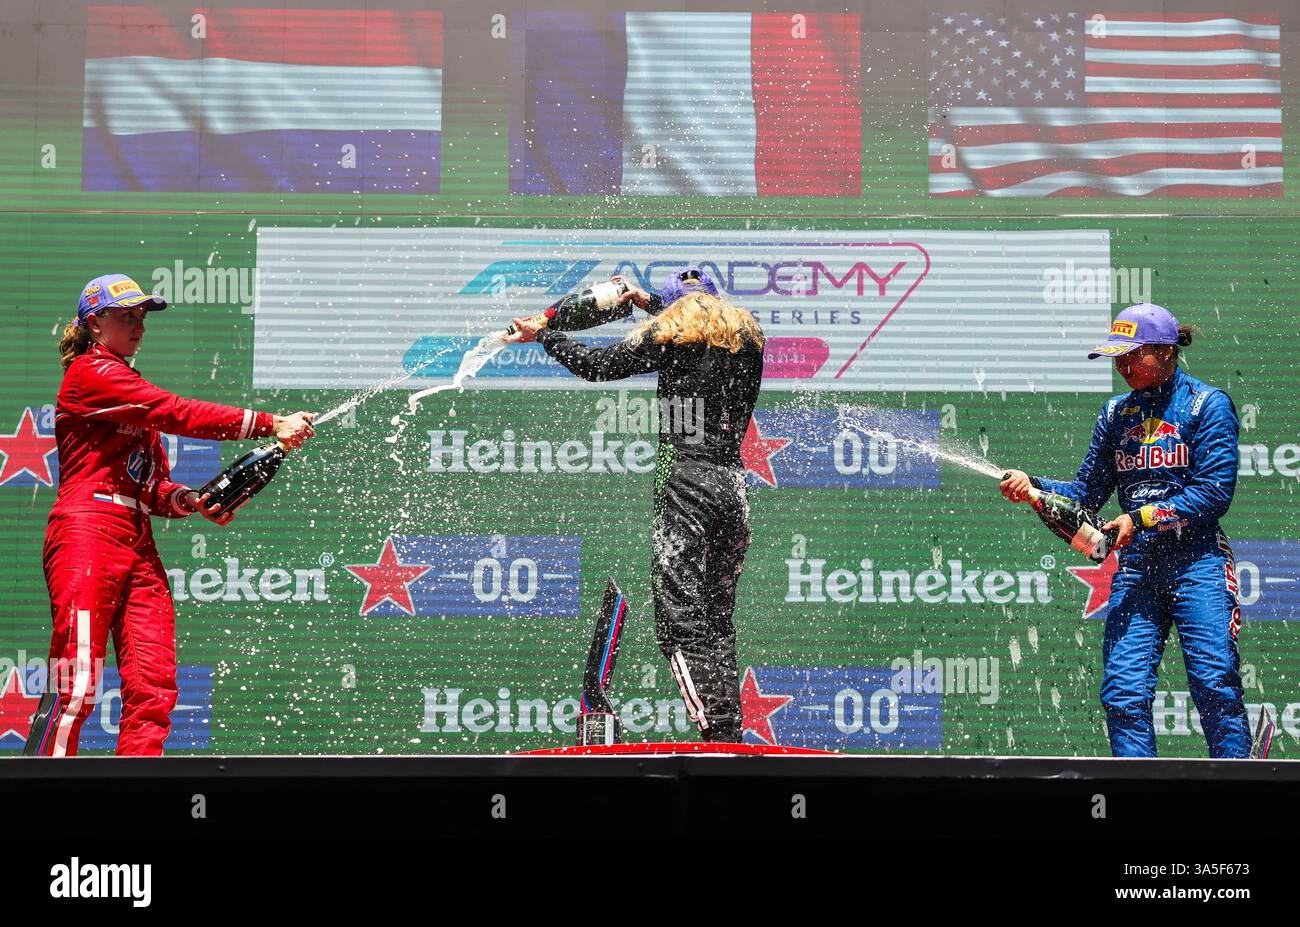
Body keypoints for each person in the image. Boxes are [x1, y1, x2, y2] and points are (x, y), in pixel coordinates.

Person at [24, 274, 315, 757]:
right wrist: (269, 423)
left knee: (153, 683)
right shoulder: (90, 374)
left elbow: (151, 489)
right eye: (126, 316)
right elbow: (175, 410)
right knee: (75, 675)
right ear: (95, 324)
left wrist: (188, 500)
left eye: (142, 316)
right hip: (87, 531)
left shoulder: (126, 384)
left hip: (135, 538)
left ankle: (139, 792)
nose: (138, 325)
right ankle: (36, 796)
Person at [507, 267, 765, 742]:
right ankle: (729, 732)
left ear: (671, 308)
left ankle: (719, 734)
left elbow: (598, 366)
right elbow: (696, 325)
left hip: (689, 488)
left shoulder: (669, 338)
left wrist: (547, 335)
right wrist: (649, 303)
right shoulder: (749, 336)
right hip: (734, 492)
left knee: (679, 616)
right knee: (715, 616)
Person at [1000, 303, 1250, 758]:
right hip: (1138, 569)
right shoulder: (1115, 413)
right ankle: (1137, 799)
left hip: (1199, 563)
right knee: (1123, 693)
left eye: (1132, 355)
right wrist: (1034, 487)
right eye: (1117, 357)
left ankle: (1240, 791)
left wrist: (1139, 518)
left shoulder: (1207, 405)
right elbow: (1085, 494)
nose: (1123, 366)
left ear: (1165, 351)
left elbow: (1214, 493)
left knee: (1215, 683)